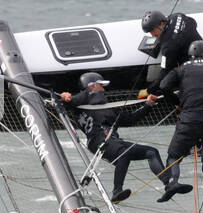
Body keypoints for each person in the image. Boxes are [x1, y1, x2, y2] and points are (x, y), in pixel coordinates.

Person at [59, 72, 173, 204]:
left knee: (151, 152)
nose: (103, 89)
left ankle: (168, 183)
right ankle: (116, 191)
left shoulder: (107, 109)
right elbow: (67, 101)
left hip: (112, 140)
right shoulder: (82, 99)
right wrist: (63, 96)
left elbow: (130, 119)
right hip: (98, 140)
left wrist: (148, 105)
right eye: (101, 86)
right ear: (92, 86)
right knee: (123, 154)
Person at [152, 40, 203, 201]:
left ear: (191, 56)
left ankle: (173, 182)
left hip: (190, 119)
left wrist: (178, 102)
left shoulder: (181, 69)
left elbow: (164, 86)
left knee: (173, 156)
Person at [140, 9, 203, 105]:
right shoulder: (177, 16)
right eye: (149, 32)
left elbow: (165, 72)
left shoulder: (168, 46)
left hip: (196, 71)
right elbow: (193, 22)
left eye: (153, 30)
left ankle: (180, 106)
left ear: (161, 24)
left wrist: (149, 90)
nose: (152, 35)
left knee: (165, 86)